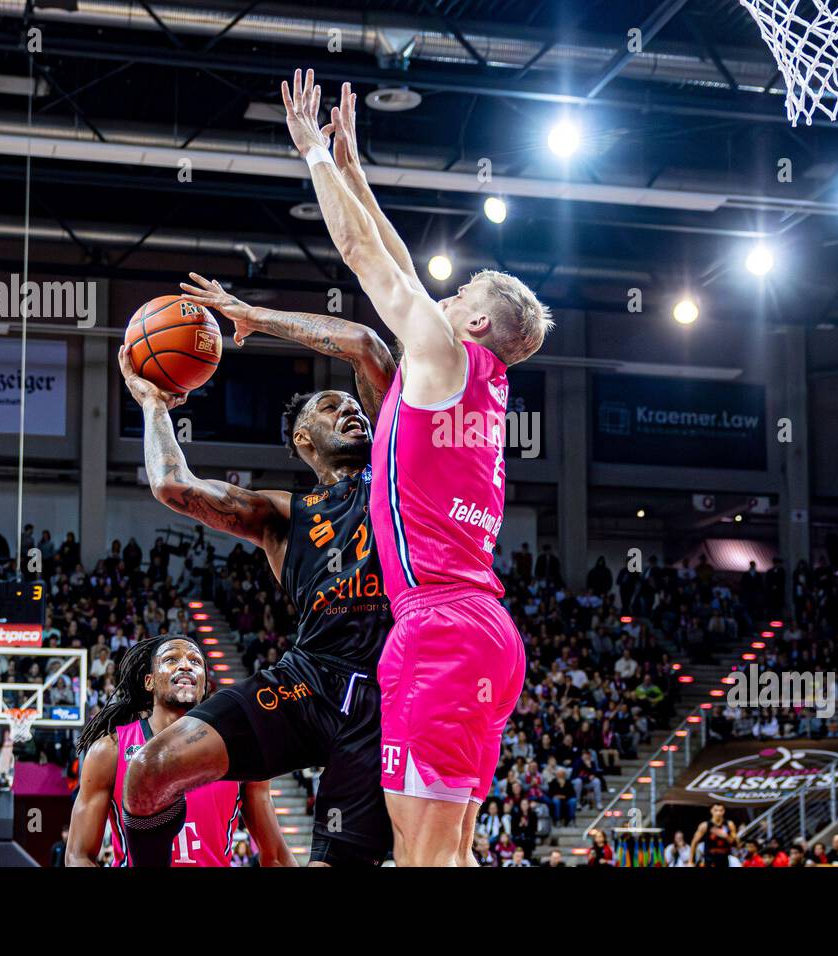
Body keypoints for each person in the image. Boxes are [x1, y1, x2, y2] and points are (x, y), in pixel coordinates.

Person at [281, 69, 551, 866]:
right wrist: (356, 171)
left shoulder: (440, 355)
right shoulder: (468, 376)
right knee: (448, 854)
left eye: (459, 290)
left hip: (439, 629)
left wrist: (314, 159)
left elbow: (367, 257)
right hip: (476, 633)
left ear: (471, 320)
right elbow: (396, 263)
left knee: (427, 860)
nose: (442, 293)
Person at [116, 287, 398, 866]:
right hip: (307, 681)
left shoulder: (396, 469)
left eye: (354, 405)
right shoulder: (283, 515)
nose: (351, 410)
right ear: (302, 440)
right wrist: (152, 405)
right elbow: (175, 487)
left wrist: (254, 317)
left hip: (384, 697)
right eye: (329, 406)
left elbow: (368, 347)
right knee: (146, 773)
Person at [68, 636, 290, 867]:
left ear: (204, 685)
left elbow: (276, 857)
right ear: (149, 681)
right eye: (171, 659)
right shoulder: (109, 751)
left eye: (195, 661)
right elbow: (78, 856)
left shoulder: (242, 752)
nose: (185, 665)